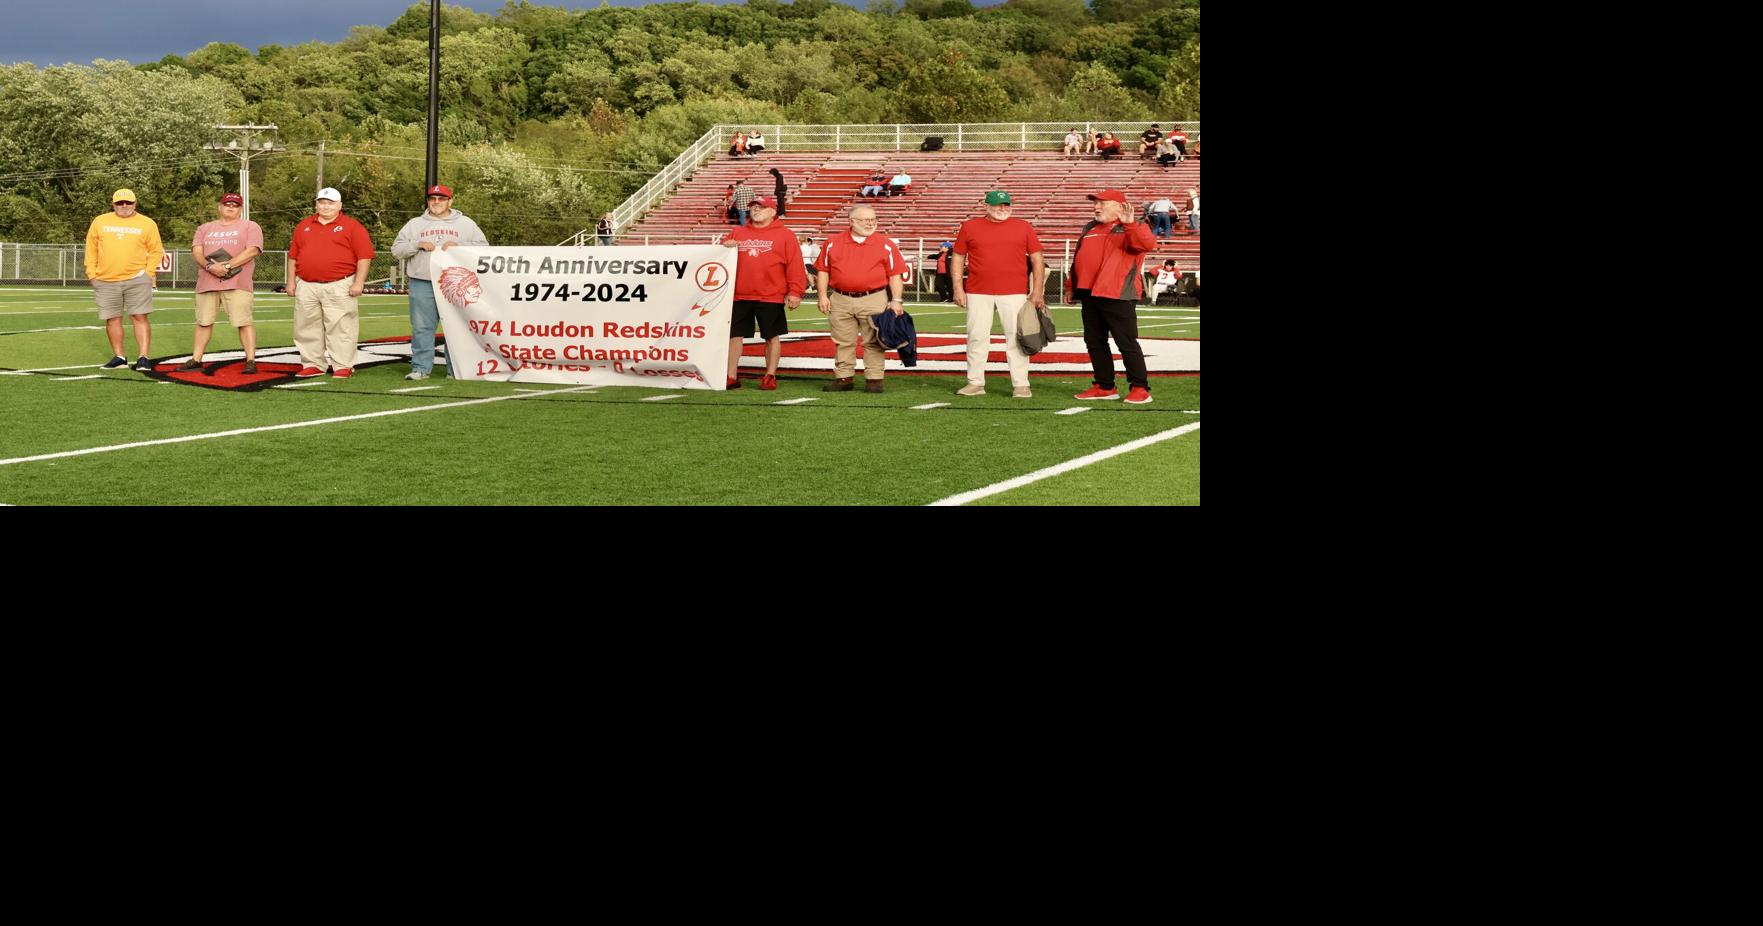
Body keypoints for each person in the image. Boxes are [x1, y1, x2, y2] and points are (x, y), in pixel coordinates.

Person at [390, 183, 489, 381]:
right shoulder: (415, 224)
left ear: (450, 201)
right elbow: (397, 250)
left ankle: (456, 371)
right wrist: (416, 244)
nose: (436, 202)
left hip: (456, 283)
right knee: (422, 327)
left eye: (441, 199)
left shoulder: (466, 223)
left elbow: (484, 248)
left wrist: (459, 245)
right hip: (422, 281)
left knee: (457, 327)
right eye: (432, 199)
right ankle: (421, 369)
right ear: (428, 201)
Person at [952, 190, 1045, 399]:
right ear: (986, 206)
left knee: (1016, 338)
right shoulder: (970, 226)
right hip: (978, 290)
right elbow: (958, 257)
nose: (1003, 209)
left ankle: (1021, 384)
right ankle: (975, 382)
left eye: (1006, 205)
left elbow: (1037, 258)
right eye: (998, 205)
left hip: (1014, 291)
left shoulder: (1023, 226)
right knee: (976, 337)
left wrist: (1037, 290)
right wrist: (958, 288)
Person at [1070, 189, 1157, 405]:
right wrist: (1071, 285)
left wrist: (1129, 224)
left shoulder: (1132, 227)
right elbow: (1078, 257)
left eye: (1102, 203)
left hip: (1117, 294)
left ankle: (1140, 388)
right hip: (1089, 293)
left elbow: (1146, 245)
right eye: (1095, 203)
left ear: (1119, 206)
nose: (1096, 207)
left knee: (1126, 343)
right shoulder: (1090, 227)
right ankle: (1105, 386)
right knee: (1094, 341)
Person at [286, 187, 375, 379]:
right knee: (306, 326)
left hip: (339, 283)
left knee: (341, 326)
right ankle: (313, 364)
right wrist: (290, 282)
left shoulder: (352, 226)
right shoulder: (304, 225)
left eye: (330, 203)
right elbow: (293, 256)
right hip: (307, 284)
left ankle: (343, 365)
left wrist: (358, 283)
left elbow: (364, 256)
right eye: (322, 202)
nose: (325, 206)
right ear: (316, 204)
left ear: (339, 205)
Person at [814, 204, 903, 393]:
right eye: (865, 220)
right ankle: (843, 378)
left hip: (873, 297)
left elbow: (895, 274)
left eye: (873, 219)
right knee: (843, 340)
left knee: (874, 340)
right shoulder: (832, 242)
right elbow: (823, 270)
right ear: (852, 221)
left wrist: (896, 299)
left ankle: (874, 379)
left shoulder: (885, 244)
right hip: (840, 297)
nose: (870, 223)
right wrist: (822, 295)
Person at [719, 195, 803, 392]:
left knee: (772, 336)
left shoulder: (785, 235)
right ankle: (731, 376)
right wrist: (725, 246)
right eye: (753, 207)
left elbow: (795, 265)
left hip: (770, 295)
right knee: (734, 336)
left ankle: (770, 375)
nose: (756, 210)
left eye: (761, 208)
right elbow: (719, 258)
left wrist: (795, 291)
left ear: (773, 212)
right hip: (739, 294)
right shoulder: (738, 232)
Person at [182, 192, 264, 374]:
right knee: (203, 321)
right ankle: (196, 359)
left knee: (243, 321)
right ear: (220, 207)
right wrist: (210, 266)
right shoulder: (205, 228)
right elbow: (197, 252)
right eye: (227, 204)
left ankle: (250, 360)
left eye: (235, 205)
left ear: (240, 209)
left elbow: (252, 251)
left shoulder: (250, 226)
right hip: (207, 282)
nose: (230, 207)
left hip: (237, 283)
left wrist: (226, 265)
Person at [85, 188, 165, 372]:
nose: (124, 206)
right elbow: (91, 248)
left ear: (135, 203)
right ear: (113, 204)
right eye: (119, 203)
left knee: (139, 317)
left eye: (128, 202)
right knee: (112, 319)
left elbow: (155, 250)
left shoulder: (147, 223)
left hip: (137, 277)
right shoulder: (100, 221)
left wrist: (148, 273)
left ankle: (143, 357)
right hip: (105, 279)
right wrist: (92, 274)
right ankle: (119, 357)